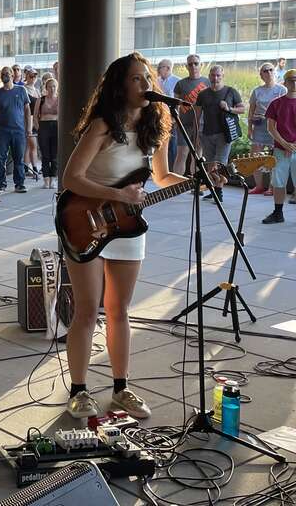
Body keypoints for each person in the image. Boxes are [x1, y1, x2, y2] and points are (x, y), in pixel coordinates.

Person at [61, 52, 215, 421]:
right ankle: (79, 390)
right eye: (136, 79)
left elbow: (161, 179)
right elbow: (71, 179)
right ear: (119, 86)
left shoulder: (155, 129)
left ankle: (120, 388)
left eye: (148, 78)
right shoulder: (102, 125)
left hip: (129, 227)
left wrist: (198, 182)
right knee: (86, 312)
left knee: (119, 310)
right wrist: (119, 196)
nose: (146, 84)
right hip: (85, 219)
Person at [194, 65, 245, 202]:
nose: (215, 78)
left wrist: (229, 108)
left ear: (222, 76)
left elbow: (242, 109)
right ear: (209, 76)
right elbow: (197, 116)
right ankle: (214, 190)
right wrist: (197, 135)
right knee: (210, 164)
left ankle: (219, 192)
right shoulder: (203, 94)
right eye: (213, 75)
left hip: (224, 134)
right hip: (207, 134)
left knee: (220, 164)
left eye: (218, 75)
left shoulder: (231, 91)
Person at [262, 69, 296, 224]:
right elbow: (271, 128)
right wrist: (285, 145)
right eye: (291, 80)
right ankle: (278, 213)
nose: (294, 83)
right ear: (286, 82)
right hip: (280, 149)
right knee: (278, 182)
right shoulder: (276, 103)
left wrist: (293, 146)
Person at [249, 63, 287, 195]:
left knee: (274, 158)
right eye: (265, 71)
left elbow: (286, 109)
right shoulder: (256, 91)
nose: (269, 72)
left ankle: (272, 187)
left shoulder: (282, 90)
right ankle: (258, 186)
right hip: (259, 126)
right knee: (255, 157)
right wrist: (249, 128)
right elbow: (251, 111)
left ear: (275, 72)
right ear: (261, 75)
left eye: (271, 70)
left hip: (275, 127)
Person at [0, 66, 30, 194]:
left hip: (19, 131)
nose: (5, 75)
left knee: (19, 158)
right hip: (1, 131)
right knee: (0, 158)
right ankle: (1, 184)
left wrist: (28, 128)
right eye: (3, 74)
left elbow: (27, 111)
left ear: (12, 75)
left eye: (7, 73)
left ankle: (19, 184)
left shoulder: (21, 90)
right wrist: (1, 116)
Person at [172, 55, 209, 175]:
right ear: (186, 66)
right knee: (182, 153)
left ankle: (196, 184)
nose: (193, 66)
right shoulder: (180, 84)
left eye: (196, 63)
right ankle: (176, 183)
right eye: (190, 64)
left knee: (197, 155)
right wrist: (174, 120)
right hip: (184, 124)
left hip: (201, 124)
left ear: (201, 65)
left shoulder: (207, 82)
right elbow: (174, 104)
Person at [34, 77, 60, 189]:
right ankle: (46, 180)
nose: (52, 88)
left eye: (54, 86)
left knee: (54, 155)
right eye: (50, 86)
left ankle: (53, 179)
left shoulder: (59, 99)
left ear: (57, 87)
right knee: (45, 155)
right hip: (43, 126)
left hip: (56, 126)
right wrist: (38, 127)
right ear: (46, 88)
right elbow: (35, 116)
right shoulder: (41, 100)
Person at [157, 59, 180, 169]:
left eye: (160, 67)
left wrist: (175, 119)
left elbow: (178, 102)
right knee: (160, 144)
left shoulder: (177, 82)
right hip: (159, 118)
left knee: (172, 145)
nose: (158, 69)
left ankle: (171, 170)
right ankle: (161, 168)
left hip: (172, 119)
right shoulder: (156, 81)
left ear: (168, 68)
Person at [22, 66, 41, 177]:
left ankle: (26, 168)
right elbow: (25, 108)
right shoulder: (24, 89)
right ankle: (34, 168)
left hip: (36, 120)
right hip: (28, 120)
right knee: (32, 145)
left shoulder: (37, 91)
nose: (33, 78)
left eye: (35, 75)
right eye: (31, 76)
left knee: (30, 146)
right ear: (27, 76)